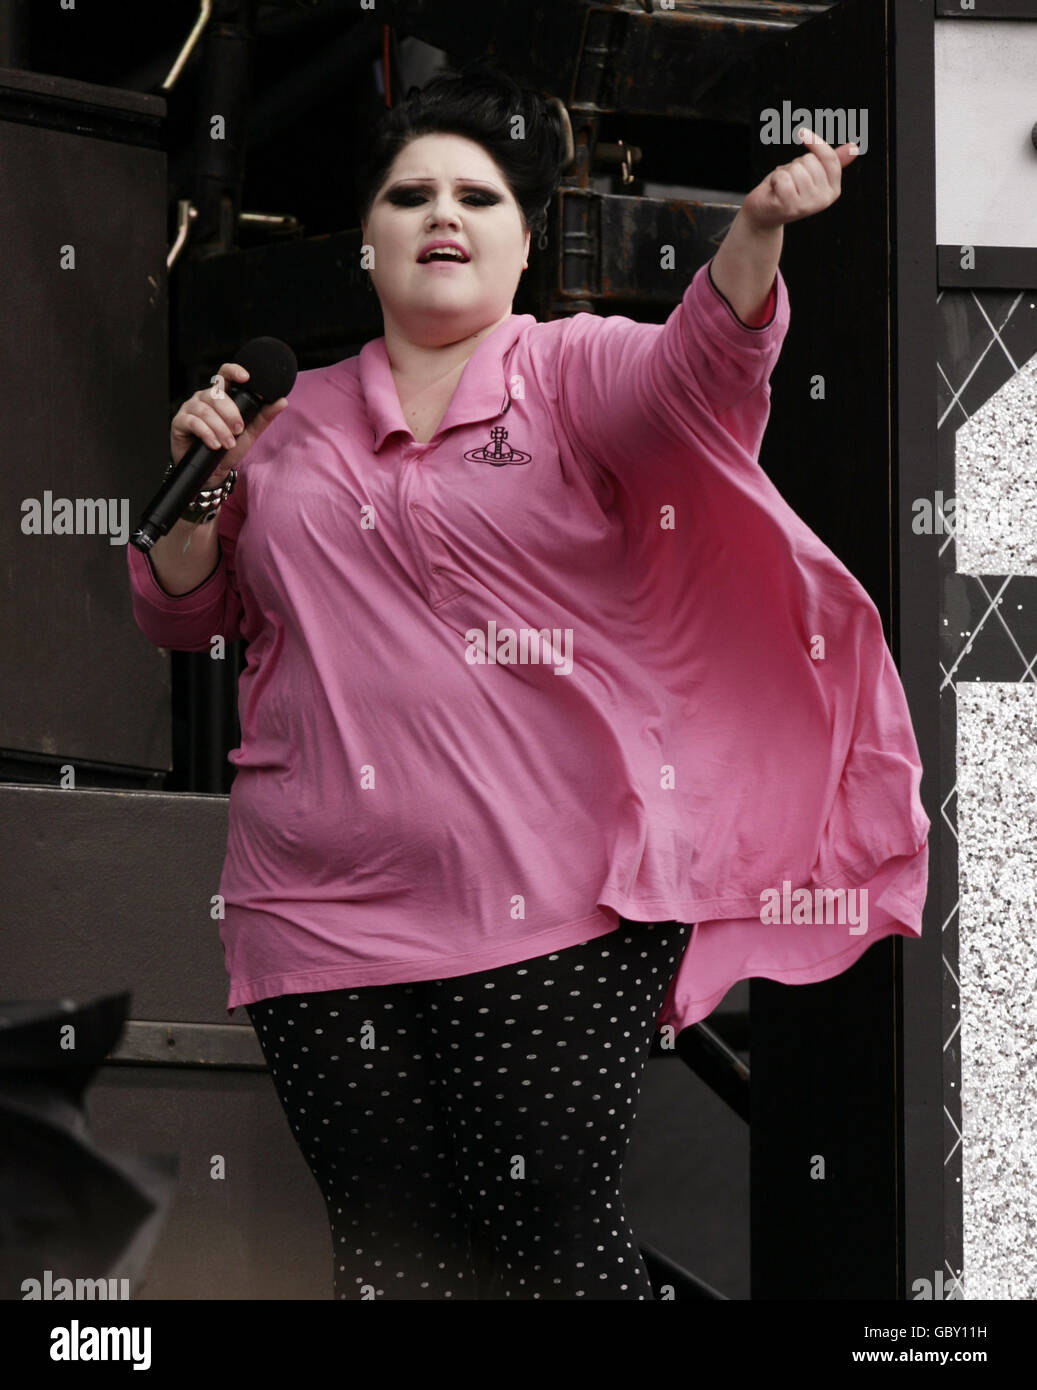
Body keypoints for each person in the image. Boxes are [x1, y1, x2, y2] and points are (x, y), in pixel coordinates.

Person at [126, 64, 929, 1300]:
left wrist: (752, 234)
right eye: (410, 194)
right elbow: (185, 611)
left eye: (477, 195)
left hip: (552, 899)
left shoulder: (567, 373)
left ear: (520, 241)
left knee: (549, 1244)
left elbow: (695, 376)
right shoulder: (283, 419)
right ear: (366, 241)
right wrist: (201, 488)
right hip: (316, 912)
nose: (441, 214)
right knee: (392, 1266)